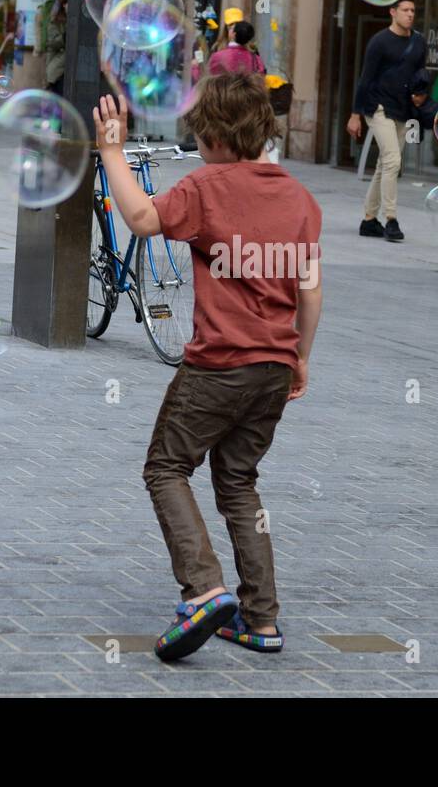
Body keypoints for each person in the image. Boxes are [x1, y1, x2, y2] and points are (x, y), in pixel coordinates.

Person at [93, 76, 322, 661]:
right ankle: (261, 618)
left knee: (166, 467)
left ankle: (203, 591)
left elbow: (142, 219)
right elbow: (310, 291)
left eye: (200, 132)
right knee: (239, 481)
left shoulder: (207, 186)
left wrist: (112, 151)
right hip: (273, 365)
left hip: (219, 363)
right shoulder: (301, 199)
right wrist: (300, 357)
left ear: (215, 134)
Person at [347, 0, 425, 243]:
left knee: (384, 166)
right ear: (393, 12)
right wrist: (355, 114)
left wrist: (421, 95)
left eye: (413, 10)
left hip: (402, 109)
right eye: (405, 10)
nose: (410, 14)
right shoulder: (379, 42)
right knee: (393, 161)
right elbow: (365, 78)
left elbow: (420, 74)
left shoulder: (419, 42)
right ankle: (391, 219)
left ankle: (369, 220)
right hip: (378, 107)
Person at [38, 0, 68, 96]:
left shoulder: (70, 12)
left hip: (63, 67)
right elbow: (51, 40)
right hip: (55, 67)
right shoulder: (53, 11)